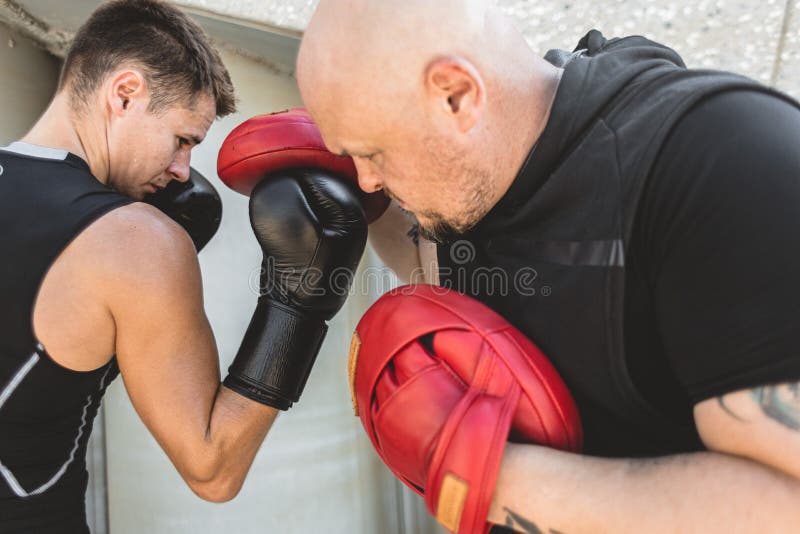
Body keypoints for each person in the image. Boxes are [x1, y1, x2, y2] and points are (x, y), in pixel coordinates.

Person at [296, 0, 800, 531]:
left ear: (456, 95)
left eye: (372, 152)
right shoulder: (479, 175)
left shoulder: (722, 165)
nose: (367, 178)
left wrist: (488, 477)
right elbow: (460, 273)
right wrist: (365, 211)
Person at [0, 1, 369, 532]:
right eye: (182, 140)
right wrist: (298, 304)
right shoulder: (134, 239)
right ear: (124, 94)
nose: (181, 171)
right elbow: (212, 469)